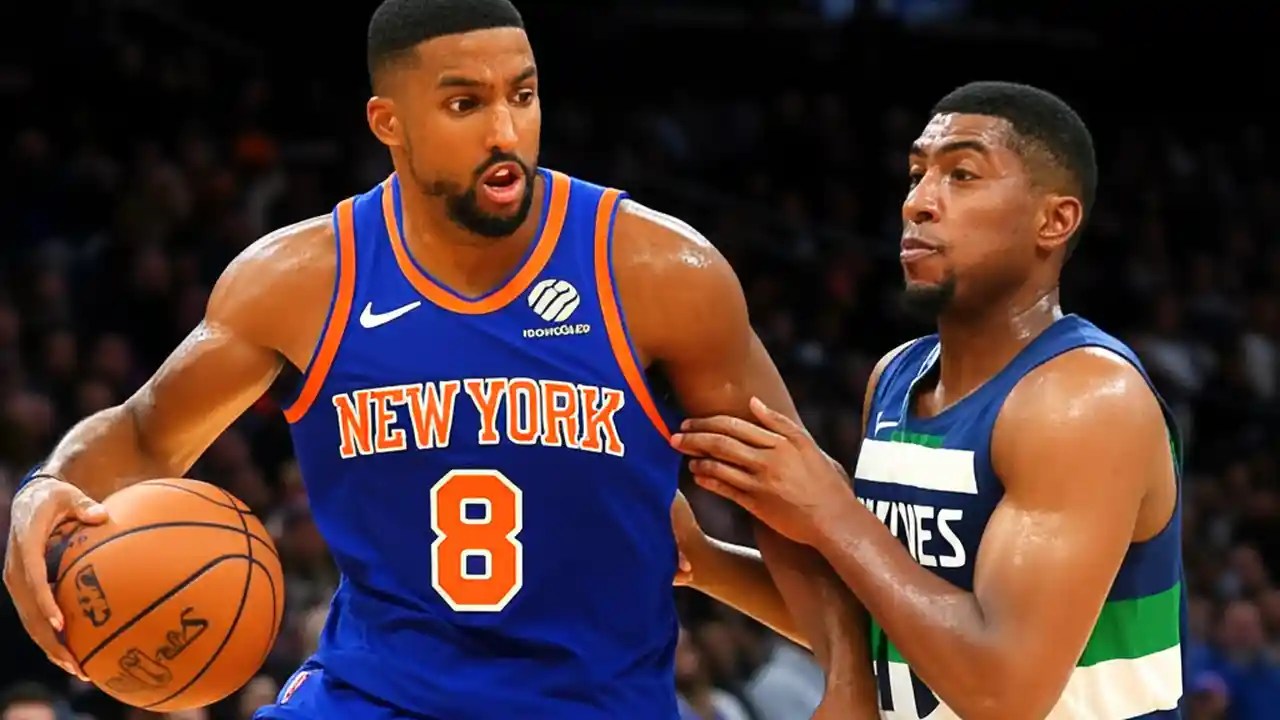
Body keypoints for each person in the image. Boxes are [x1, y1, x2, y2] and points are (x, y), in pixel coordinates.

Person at [3, 0, 878, 718]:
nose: (506, 131)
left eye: (523, 95)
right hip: (371, 697)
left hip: (591, 704)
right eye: (465, 104)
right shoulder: (300, 280)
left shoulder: (659, 272)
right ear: (389, 121)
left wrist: (846, 684)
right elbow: (146, 435)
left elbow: (798, 507)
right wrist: (46, 488)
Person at [671, 81, 1187, 719]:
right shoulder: (895, 376)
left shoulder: (1083, 400)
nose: (918, 203)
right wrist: (703, 560)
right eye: (917, 175)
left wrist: (833, 513)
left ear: (1053, 221)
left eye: (962, 175)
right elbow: (897, 626)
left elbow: (1000, 692)